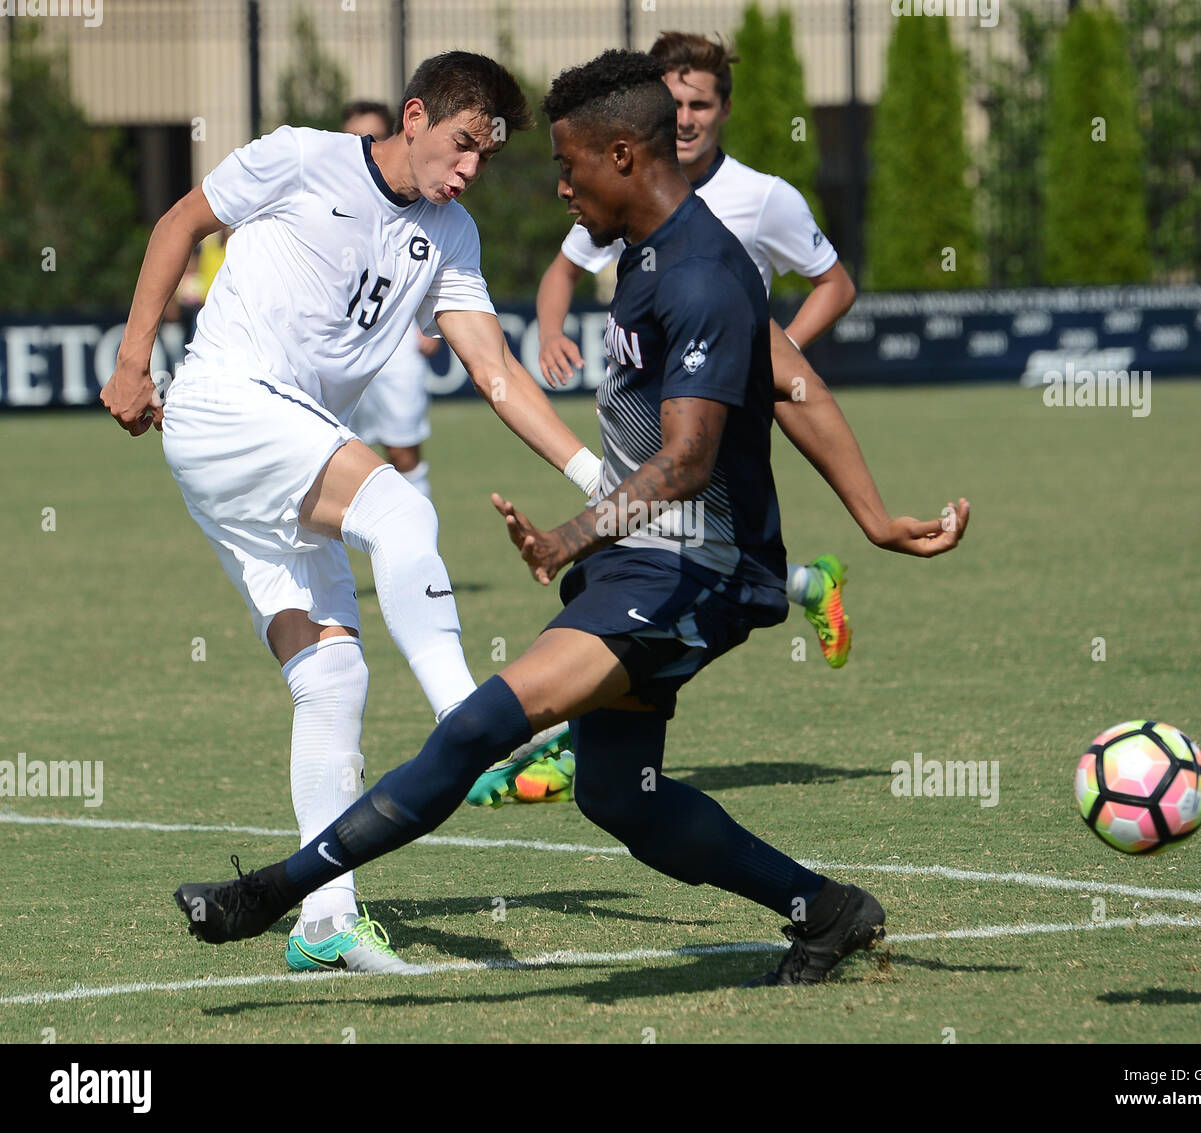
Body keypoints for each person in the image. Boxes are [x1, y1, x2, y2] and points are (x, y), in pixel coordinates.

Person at [172, 50, 970, 987]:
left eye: (570, 164)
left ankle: (269, 894)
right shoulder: (652, 251)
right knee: (617, 796)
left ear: (624, 156)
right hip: (648, 561)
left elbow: (688, 460)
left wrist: (568, 537)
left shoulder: (705, 271)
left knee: (479, 730)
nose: (557, 186)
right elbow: (790, 374)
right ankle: (827, 910)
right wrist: (872, 518)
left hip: (690, 570)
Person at [102, 52, 601, 974]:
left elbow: (496, 374)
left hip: (278, 449)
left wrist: (597, 479)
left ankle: (324, 919)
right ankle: (476, 723)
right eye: (460, 145)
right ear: (413, 116)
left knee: (332, 680)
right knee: (401, 516)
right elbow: (182, 220)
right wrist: (135, 360)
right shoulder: (301, 157)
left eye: (484, 159)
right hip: (226, 404)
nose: (466, 172)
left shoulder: (451, 236)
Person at [536, 32, 858, 671]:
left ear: (725, 111)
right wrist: (550, 333)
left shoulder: (763, 198)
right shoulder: (624, 188)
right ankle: (587, 749)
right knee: (636, 570)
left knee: (684, 562)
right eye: (675, 102)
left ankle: (557, 745)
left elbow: (836, 284)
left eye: (701, 105)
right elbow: (561, 271)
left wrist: (769, 353)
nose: (686, 118)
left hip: (710, 417)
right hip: (650, 412)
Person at [340, 100, 443, 499]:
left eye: (373, 136)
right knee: (337, 455)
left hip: (396, 342)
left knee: (402, 450)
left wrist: (431, 326)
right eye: (353, 138)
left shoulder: (420, 201)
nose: (363, 146)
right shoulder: (325, 191)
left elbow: (429, 261)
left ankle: (418, 539)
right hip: (336, 342)